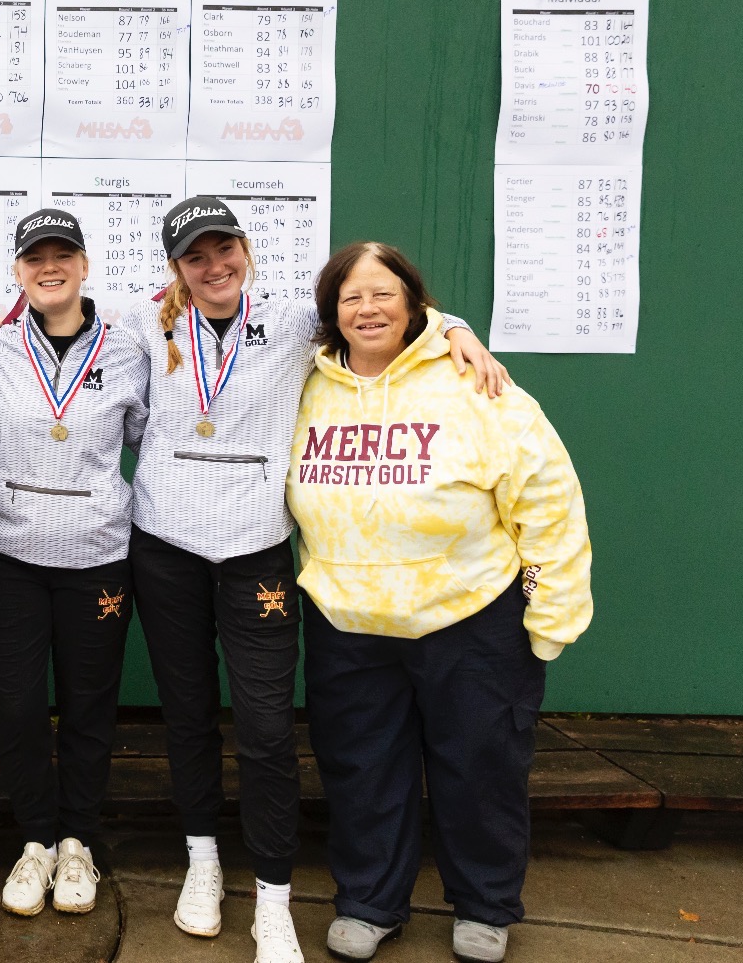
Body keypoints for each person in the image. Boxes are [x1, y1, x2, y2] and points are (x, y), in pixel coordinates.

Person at [118, 197, 510, 963]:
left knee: (266, 730)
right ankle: (202, 863)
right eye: (195, 256)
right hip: (164, 542)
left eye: (223, 249)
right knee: (189, 713)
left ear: (245, 249)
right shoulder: (146, 322)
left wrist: (459, 330)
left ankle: (272, 898)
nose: (213, 266)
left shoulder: (301, 318)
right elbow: (66, 315)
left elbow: (389, 310)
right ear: (177, 266)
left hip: (257, 547)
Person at [289, 242, 592, 963]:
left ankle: (485, 903)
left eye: (384, 293)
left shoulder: (476, 383)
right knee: (361, 766)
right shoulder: (302, 382)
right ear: (330, 312)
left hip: (469, 614)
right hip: (347, 618)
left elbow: (548, 498)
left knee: (482, 763)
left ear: (415, 302)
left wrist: (551, 616)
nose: (368, 309)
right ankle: (370, 899)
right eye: (351, 297)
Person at [0, 209, 147, 918]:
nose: (49, 267)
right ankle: (36, 840)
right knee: (17, 707)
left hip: (98, 554)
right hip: (9, 553)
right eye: (35, 257)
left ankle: (78, 839)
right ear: (18, 270)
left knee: (87, 706)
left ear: (83, 264)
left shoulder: (131, 346)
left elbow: (150, 436)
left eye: (62, 254)